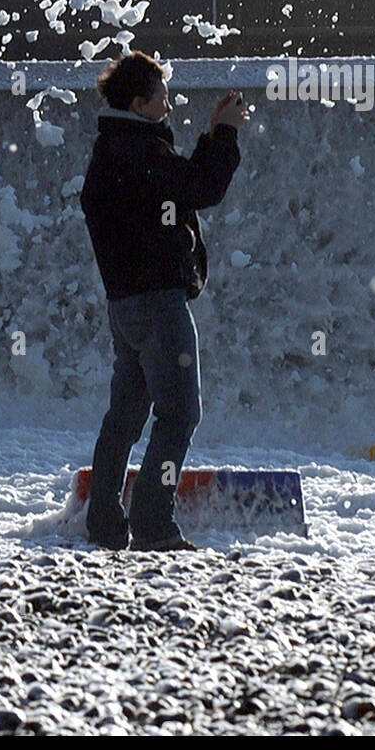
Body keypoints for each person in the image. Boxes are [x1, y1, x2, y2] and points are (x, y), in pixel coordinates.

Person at [79, 51, 249, 551]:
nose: (170, 107)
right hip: (157, 305)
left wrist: (212, 136)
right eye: (162, 99)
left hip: (125, 306)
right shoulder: (139, 152)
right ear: (138, 102)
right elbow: (201, 186)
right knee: (180, 415)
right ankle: (154, 521)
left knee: (126, 415)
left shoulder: (112, 149)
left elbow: (179, 184)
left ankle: (105, 522)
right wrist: (226, 134)